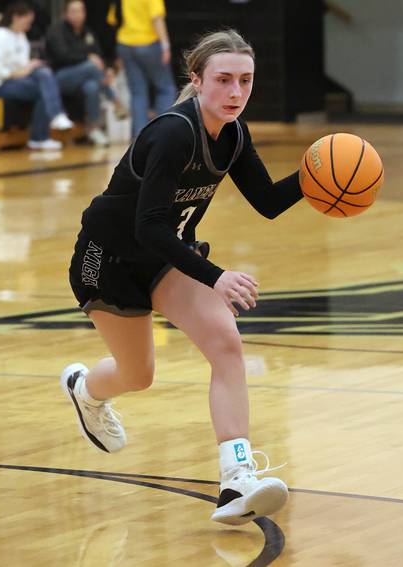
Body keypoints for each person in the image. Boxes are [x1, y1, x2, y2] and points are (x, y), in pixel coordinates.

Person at [61, 29, 299, 526]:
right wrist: (215, 276)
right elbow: (148, 225)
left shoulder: (234, 134)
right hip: (107, 259)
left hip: (166, 255)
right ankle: (86, 389)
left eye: (246, 81)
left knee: (226, 345)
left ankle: (236, 481)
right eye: (224, 80)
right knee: (138, 376)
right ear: (197, 79)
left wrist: (317, 174)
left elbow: (268, 203)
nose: (236, 93)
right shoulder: (173, 132)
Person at [0, 1, 74, 151]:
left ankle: (50, 124)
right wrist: (22, 72)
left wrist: (30, 66)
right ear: (16, 17)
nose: (29, 26)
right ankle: (46, 128)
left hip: (16, 80)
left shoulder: (21, 36)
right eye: (27, 22)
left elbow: (23, 65)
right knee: (44, 88)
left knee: (44, 73)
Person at [46, 0, 124, 146]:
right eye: (73, 11)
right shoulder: (56, 30)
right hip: (58, 79)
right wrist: (87, 58)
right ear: (65, 14)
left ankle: (93, 128)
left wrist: (106, 69)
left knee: (93, 86)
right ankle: (115, 101)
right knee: (90, 66)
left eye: (80, 11)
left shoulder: (88, 32)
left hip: (85, 79)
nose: (78, 15)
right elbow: (62, 56)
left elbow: (98, 56)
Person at [108, 0, 176, 137]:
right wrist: (165, 46)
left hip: (125, 45)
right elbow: (157, 18)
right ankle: (162, 134)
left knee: (137, 93)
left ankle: (139, 138)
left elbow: (112, 19)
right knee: (166, 89)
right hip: (148, 43)